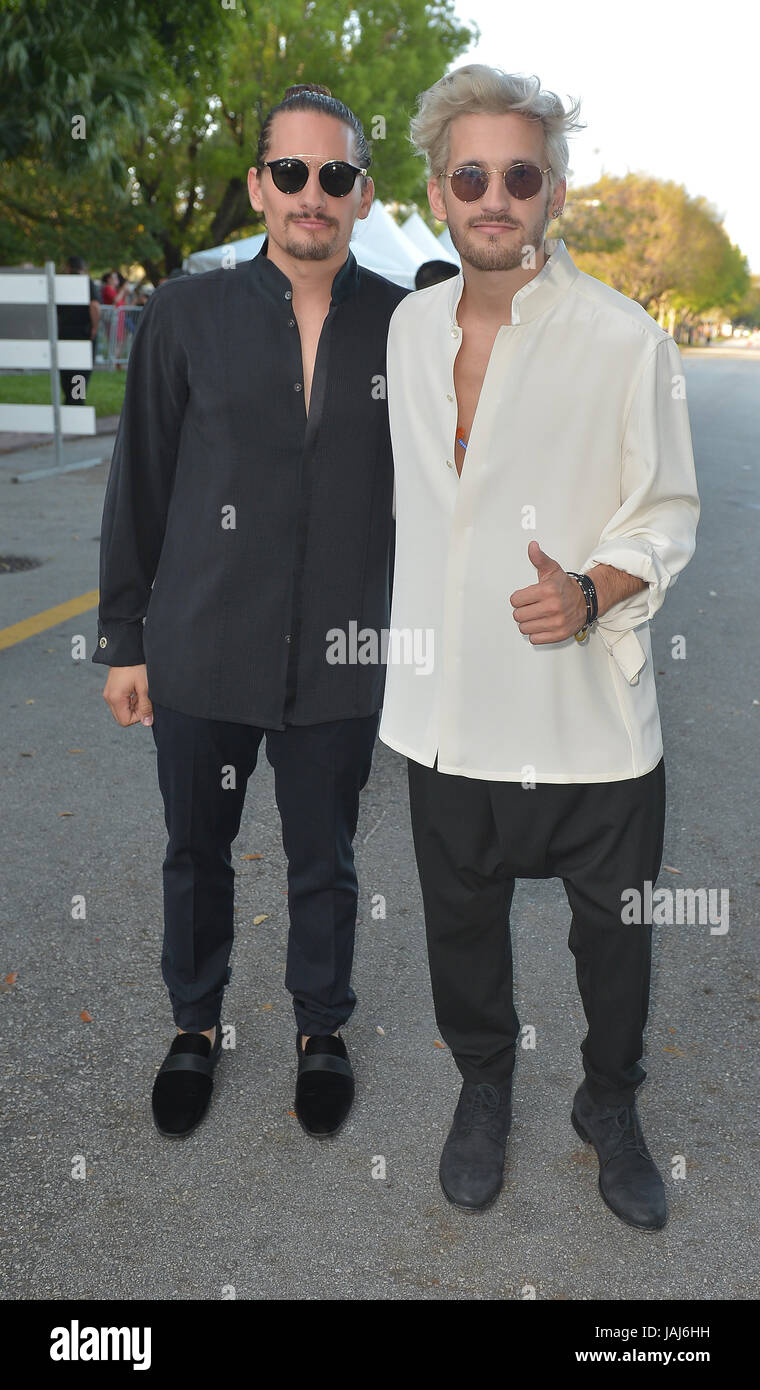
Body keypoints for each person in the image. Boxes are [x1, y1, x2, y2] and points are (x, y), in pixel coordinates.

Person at [379, 64, 700, 1227]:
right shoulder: (409, 331)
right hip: (446, 718)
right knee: (459, 931)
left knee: (615, 945)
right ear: (437, 192)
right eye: (472, 175)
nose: (495, 196)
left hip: (590, 725)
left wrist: (590, 586)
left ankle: (607, 1102)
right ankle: (483, 1087)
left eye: (520, 174)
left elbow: (667, 512)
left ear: (553, 193)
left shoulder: (623, 341)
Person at [92, 83, 408, 1141]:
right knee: (197, 849)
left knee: (327, 856)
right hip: (203, 645)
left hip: (339, 656)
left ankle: (323, 1030)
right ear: (257, 187)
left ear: (362, 194)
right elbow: (139, 482)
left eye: (334, 176)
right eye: (290, 173)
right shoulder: (187, 313)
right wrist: (123, 641)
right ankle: (196, 1027)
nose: (311, 195)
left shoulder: (404, 327)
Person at [56, 255, 100, 405]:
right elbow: (94, 305)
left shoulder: (60, 284)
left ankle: (69, 400)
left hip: (64, 334)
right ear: (84, 268)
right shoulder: (87, 283)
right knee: (80, 373)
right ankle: (77, 402)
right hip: (83, 334)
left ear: (67, 268)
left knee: (66, 371)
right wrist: (95, 327)